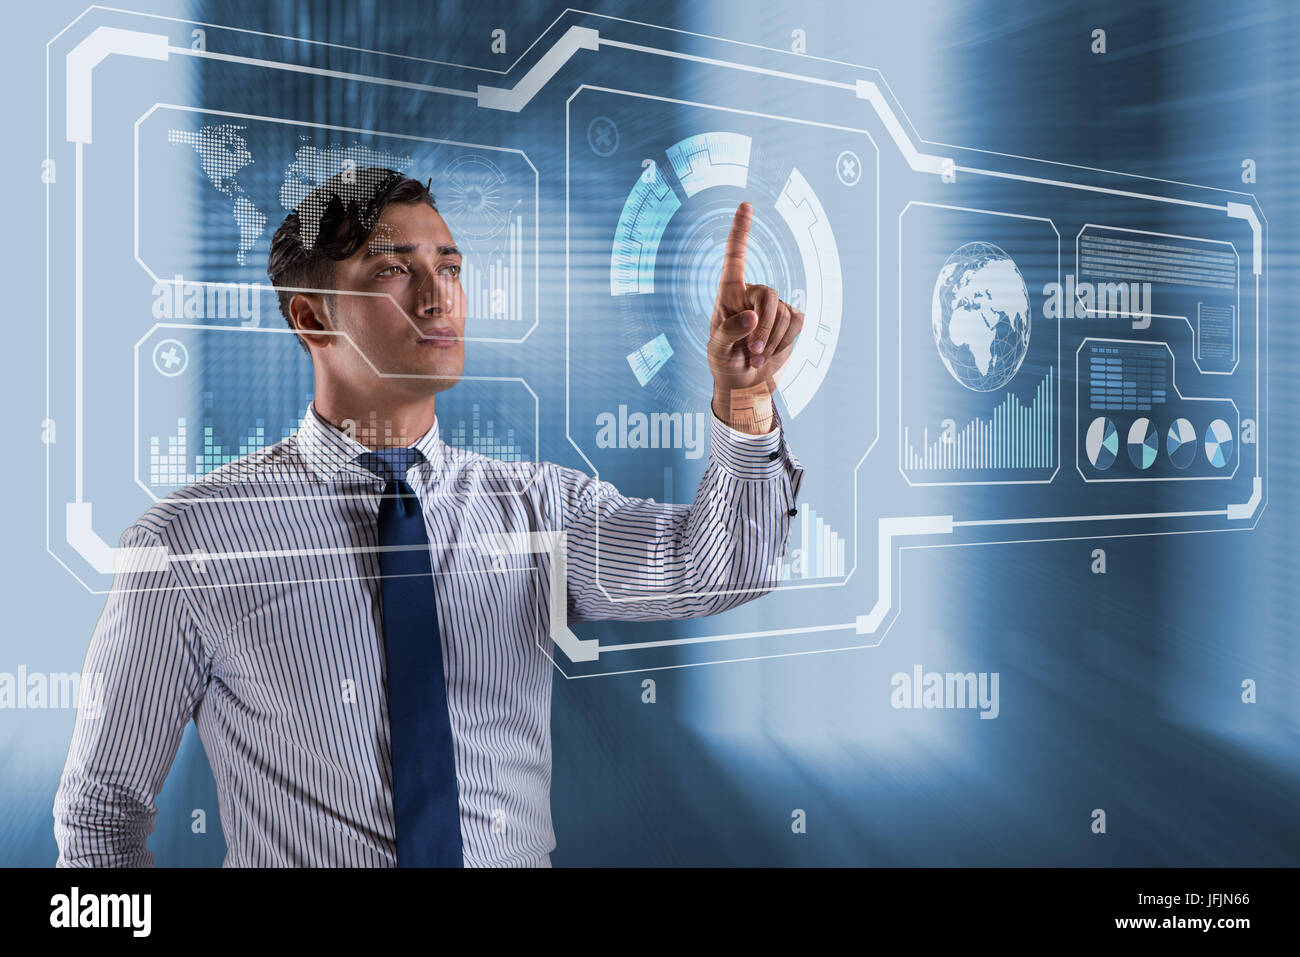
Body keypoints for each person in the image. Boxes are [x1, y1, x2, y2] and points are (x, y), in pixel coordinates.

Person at [53, 166, 806, 867]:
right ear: (312, 317)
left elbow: (723, 566)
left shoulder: (539, 510)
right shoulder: (186, 547)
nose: (437, 295)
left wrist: (743, 397)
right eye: (392, 270)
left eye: (448, 267)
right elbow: (99, 816)